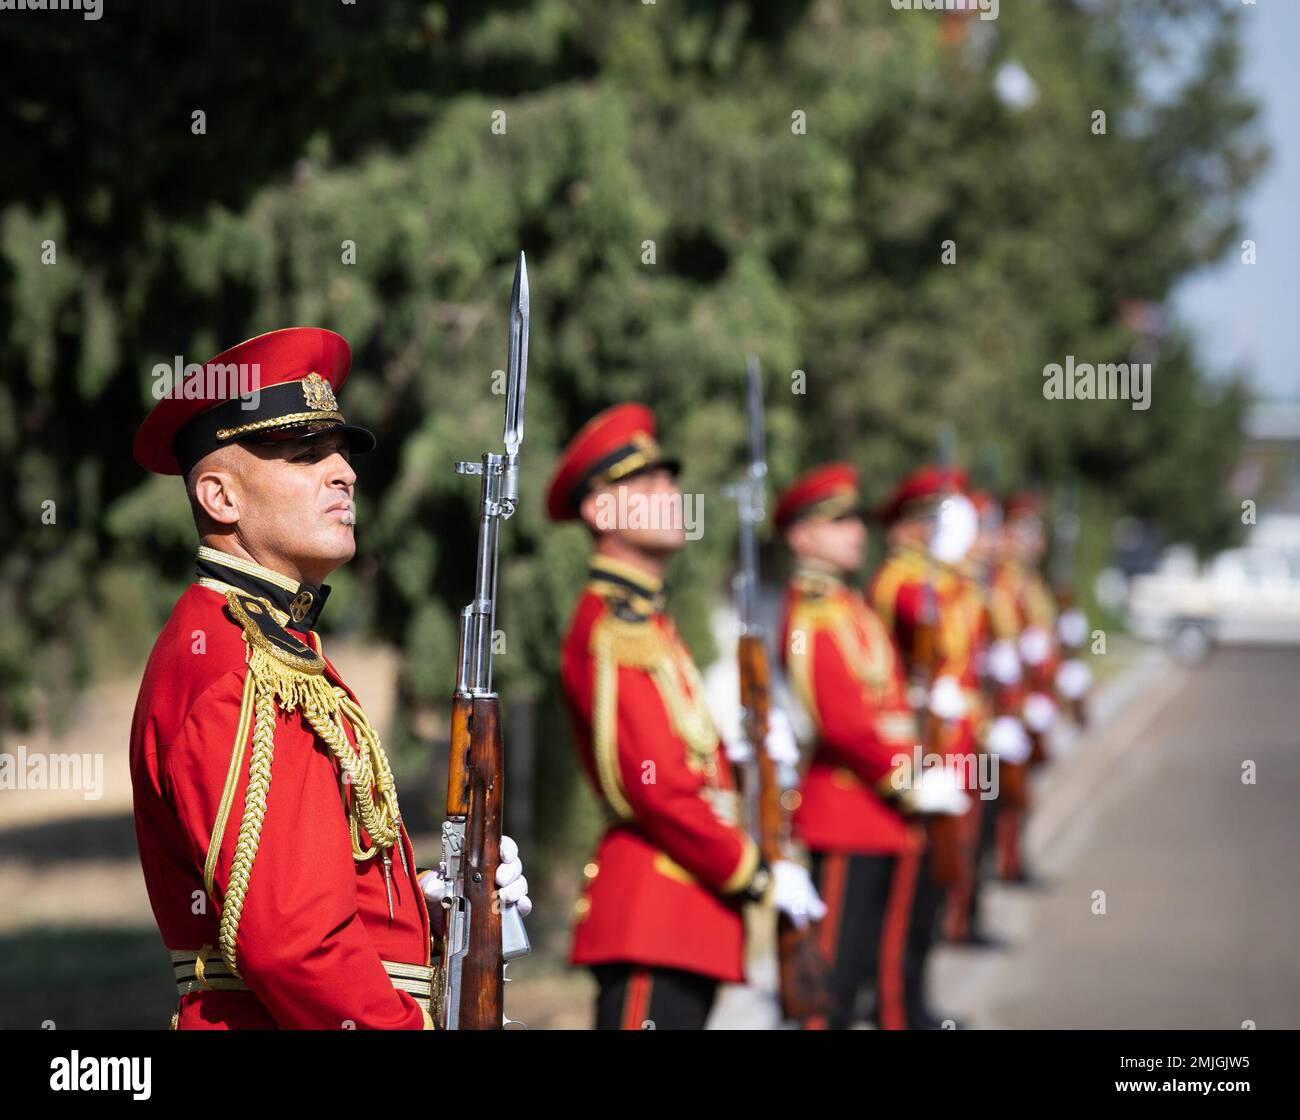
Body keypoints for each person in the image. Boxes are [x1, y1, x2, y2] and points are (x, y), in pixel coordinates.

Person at [129, 327, 530, 1029]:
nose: (343, 471)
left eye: (341, 453)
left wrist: (426, 902)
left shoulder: (271, 643)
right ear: (220, 497)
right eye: (305, 455)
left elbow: (314, 890)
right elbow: (293, 946)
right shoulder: (233, 662)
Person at [547, 402, 823, 1030]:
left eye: (668, 480)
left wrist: (743, 751)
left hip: (685, 914)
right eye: (644, 484)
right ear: (598, 511)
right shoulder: (612, 627)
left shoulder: (650, 623)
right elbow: (660, 789)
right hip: (653, 915)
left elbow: (686, 759)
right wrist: (754, 872)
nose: (669, 493)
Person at [776, 463, 967, 1029]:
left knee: (869, 970)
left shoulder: (851, 606)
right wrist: (908, 778)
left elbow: (886, 703)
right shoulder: (811, 612)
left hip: (879, 813)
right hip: (844, 814)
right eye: (838, 522)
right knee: (830, 981)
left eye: (855, 519)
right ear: (802, 536)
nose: (857, 531)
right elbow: (842, 722)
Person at [871, 465, 983, 1026]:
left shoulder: (943, 581)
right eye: (932, 521)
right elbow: (917, 613)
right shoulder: (900, 580)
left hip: (950, 744)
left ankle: (915, 1002)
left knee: (935, 885)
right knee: (908, 901)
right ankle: (899, 1010)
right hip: (918, 751)